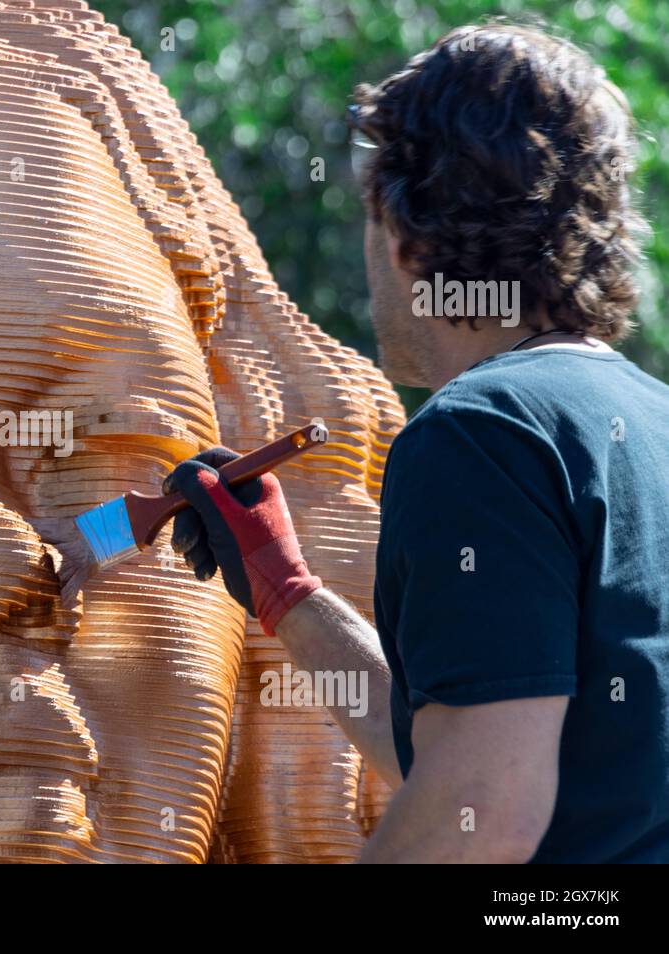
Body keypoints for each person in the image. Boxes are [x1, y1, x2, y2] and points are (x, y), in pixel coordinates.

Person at [165, 23, 669, 863]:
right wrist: (287, 593)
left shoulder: (481, 432)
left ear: (406, 236)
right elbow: (474, 750)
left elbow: (483, 808)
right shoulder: (647, 416)